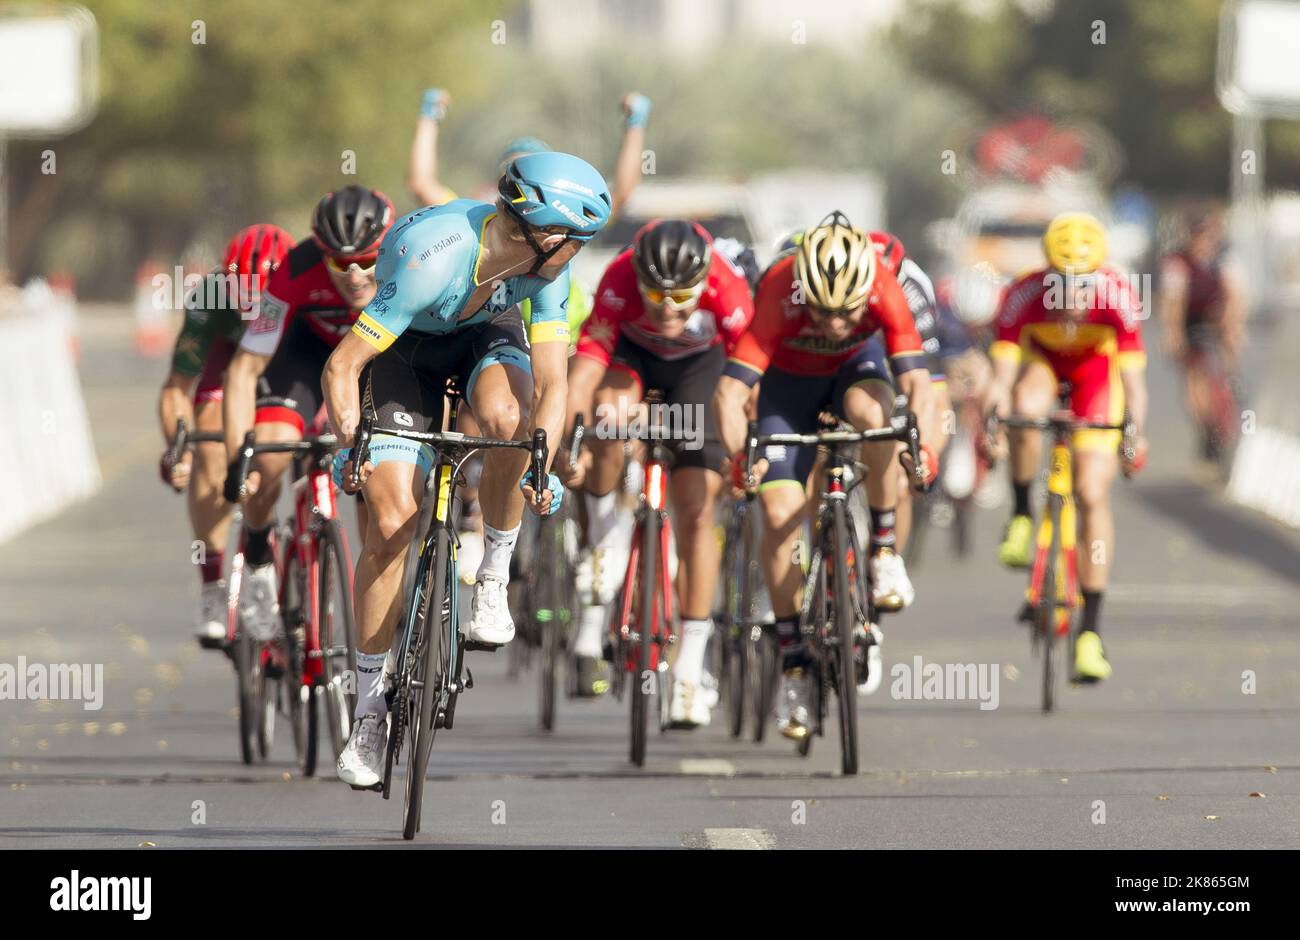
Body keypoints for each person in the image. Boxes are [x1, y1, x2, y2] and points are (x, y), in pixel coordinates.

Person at [321, 152, 612, 788]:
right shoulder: (435, 258)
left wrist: (542, 456)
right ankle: (369, 714)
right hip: (406, 350)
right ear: (543, 235)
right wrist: (351, 443)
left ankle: (492, 578)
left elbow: (555, 381)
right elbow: (342, 368)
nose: (580, 254)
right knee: (393, 519)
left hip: (484, 331)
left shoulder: (547, 272)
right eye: (578, 241)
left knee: (512, 422)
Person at [713, 212, 935, 742]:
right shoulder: (778, 288)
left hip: (857, 372)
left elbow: (918, 382)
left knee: (879, 422)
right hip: (786, 390)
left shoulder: (881, 282)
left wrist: (920, 443)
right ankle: (794, 663)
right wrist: (740, 459)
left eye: (847, 313)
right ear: (801, 291)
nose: (834, 325)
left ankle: (883, 550)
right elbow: (729, 393)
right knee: (780, 513)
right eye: (822, 312)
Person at [560, 218, 755, 723]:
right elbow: (585, 366)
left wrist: (743, 454)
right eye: (656, 296)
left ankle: (689, 667)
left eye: (682, 297)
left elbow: (749, 383)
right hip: (634, 361)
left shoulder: (728, 289)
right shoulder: (620, 277)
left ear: (704, 282)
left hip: (699, 373)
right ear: (639, 280)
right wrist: (569, 436)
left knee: (694, 512)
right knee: (607, 411)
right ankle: (604, 536)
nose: (668, 308)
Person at [220, 185, 394, 641]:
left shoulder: (408, 263)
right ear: (322, 254)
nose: (355, 274)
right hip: (303, 354)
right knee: (270, 456)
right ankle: (259, 555)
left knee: (381, 486)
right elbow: (244, 370)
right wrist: (241, 453)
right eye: (339, 262)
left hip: (373, 361)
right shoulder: (295, 270)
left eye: (367, 260)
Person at [984, 212, 1149, 682]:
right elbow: (1000, 378)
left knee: (1092, 493)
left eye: (1083, 283)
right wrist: (994, 424)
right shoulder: (1022, 295)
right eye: (1062, 281)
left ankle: (1091, 634)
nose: (1073, 296)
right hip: (1043, 368)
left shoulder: (1118, 296)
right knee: (1023, 403)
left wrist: (1134, 434)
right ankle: (1020, 513)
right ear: (1046, 273)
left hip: (1096, 377)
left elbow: (1134, 386)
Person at [157, 223, 293, 645]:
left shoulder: (301, 288)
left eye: (260, 297)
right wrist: (178, 450)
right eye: (243, 293)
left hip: (288, 359)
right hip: (229, 359)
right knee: (211, 444)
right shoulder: (210, 295)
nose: (251, 306)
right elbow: (178, 388)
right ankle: (214, 587)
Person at [1158, 206, 1246, 462]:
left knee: (1229, 351)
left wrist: (1232, 328)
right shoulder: (1177, 262)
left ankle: (1231, 385)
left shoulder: (1226, 258)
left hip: (1217, 317)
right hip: (1190, 320)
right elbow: (1174, 302)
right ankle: (1205, 426)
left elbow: (1236, 297)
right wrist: (1173, 334)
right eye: (1199, 235)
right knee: (1193, 378)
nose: (1204, 242)